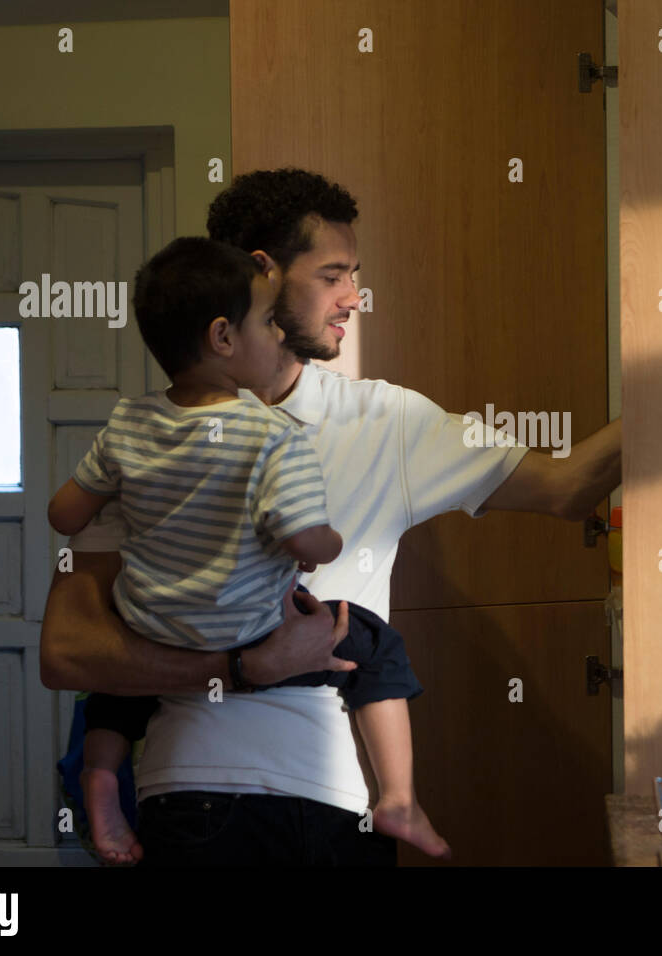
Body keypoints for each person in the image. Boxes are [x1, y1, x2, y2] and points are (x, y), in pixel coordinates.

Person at [40, 167, 622, 866]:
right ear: (264, 272)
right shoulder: (148, 439)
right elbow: (66, 651)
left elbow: (565, 489)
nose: (353, 296)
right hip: (193, 798)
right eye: (333, 275)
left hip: (337, 810)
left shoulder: (388, 421)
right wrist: (244, 665)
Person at [47, 235, 448, 863]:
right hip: (252, 629)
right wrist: (327, 539)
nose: (281, 334)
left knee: (115, 687)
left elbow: (62, 511)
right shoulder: (269, 434)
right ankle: (398, 796)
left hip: (156, 628)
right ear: (223, 338)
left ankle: (99, 784)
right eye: (268, 321)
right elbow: (303, 542)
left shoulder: (126, 425)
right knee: (373, 644)